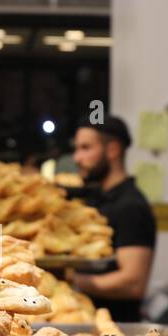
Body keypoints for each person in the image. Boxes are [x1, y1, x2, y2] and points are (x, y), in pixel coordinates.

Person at [68, 116, 156, 323]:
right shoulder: (95, 199)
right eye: (76, 149)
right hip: (86, 326)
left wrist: (70, 280)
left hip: (118, 330)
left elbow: (133, 283)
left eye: (85, 148)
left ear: (113, 150)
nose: (76, 158)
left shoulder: (131, 206)